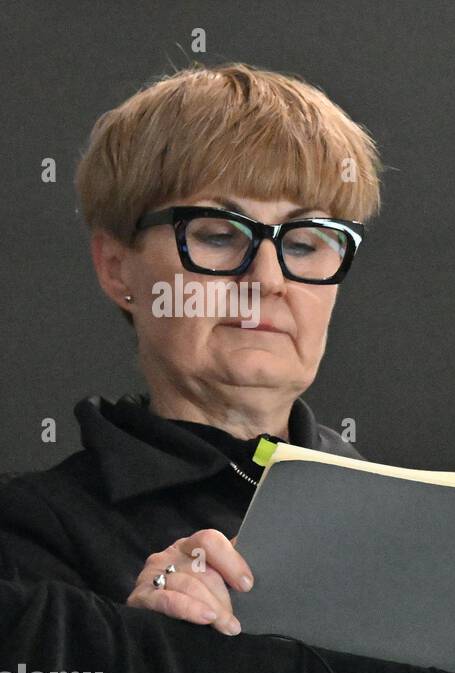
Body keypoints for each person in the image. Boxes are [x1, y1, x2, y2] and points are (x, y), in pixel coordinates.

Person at [0, 63, 381, 641]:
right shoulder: (28, 534)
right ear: (116, 266)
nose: (269, 279)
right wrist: (141, 649)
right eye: (219, 235)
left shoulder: (404, 517)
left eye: (305, 242)